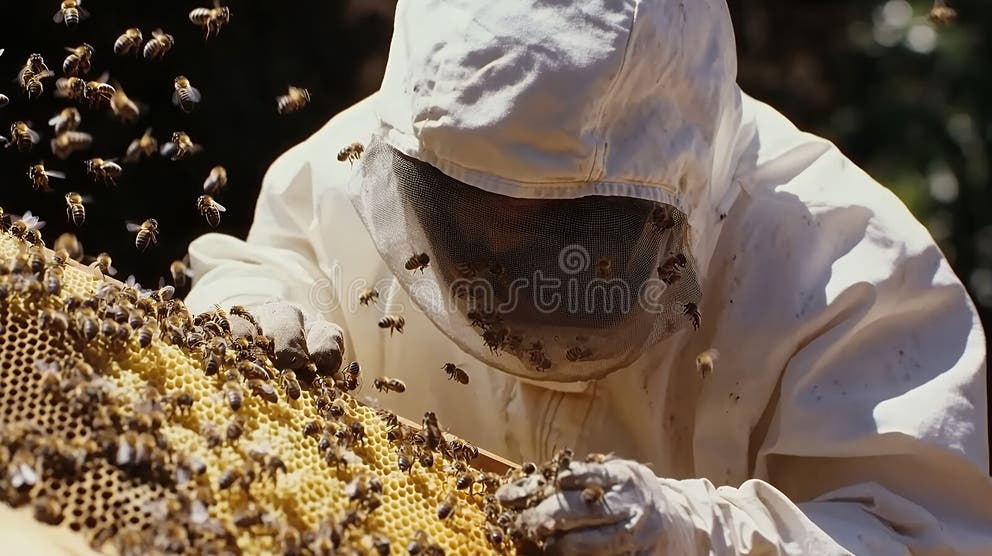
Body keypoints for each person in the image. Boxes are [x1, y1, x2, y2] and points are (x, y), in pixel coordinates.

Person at [186, 0, 992, 554]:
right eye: (465, 220)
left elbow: (922, 536)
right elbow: (291, 255)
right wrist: (252, 304)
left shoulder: (853, 277)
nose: (508, 281)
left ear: (674, 201)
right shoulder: (353, 159)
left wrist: (694, 537)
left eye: (568, 239)